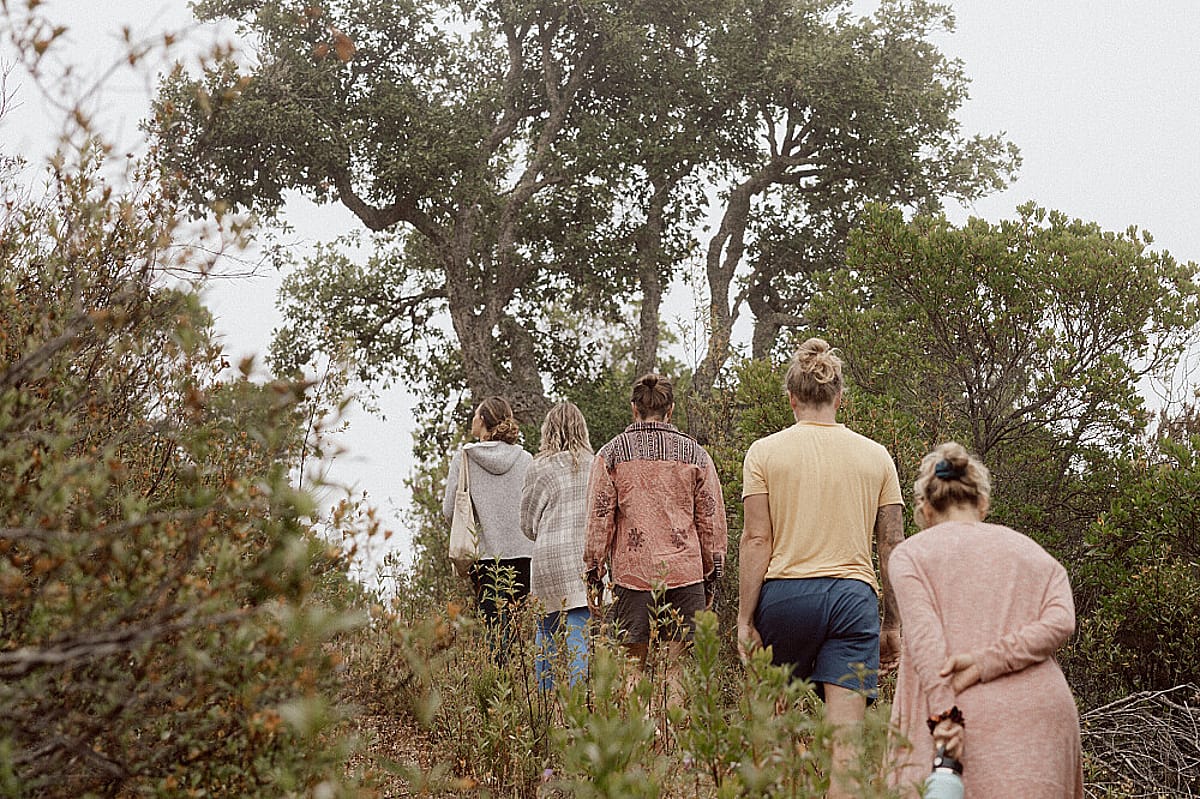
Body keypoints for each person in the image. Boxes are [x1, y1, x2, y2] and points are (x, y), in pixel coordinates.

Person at [737, 337, 905, 799]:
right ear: (839, 398)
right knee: (846, 751)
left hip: (785, 598)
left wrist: (743, 619)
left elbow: (756, 539)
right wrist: (892, 622)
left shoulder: (764, 452)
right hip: (854, 599)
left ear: (791, 398)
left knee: (771, 733)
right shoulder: (876, 456)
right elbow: (892, 543)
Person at [887, 442, 1083, 798]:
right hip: (1042, 719)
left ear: (926, 510)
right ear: (982, 503)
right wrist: (987, 660)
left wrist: (946, 716)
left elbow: (926, 642)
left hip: (964, 716)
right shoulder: (1034, 554)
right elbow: (1061, 621)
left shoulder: (911, 555)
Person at [584, 374, 728, 697]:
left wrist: (594, 571)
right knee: (673, 667)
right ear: (670, 410)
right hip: (684, 574)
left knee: (632, 666)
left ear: (634, 408)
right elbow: (711, 521)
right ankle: (671, 740)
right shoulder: (696, 456)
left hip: (633, 576)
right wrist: (710, 572)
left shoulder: (611, 455)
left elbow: (599, 517)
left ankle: (642, 738)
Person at [443, 396, 533, 648]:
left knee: (493, 629)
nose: (473, 419)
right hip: (523, 554)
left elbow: (449, 510)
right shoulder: (526, 459)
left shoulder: (465, 458)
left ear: (482, 421)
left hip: (485, 558)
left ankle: (495, 682)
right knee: (516, 629)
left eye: (475, 414)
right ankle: (518, 683)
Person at [520, 401, 594, 689]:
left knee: (545, 627)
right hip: (582, 555)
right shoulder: (595, 463)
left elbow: (526, 522)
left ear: (547, 430)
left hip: (548, 554)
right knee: (578, 626)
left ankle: (545, 694)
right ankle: (577, 698)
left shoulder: (539, 467)